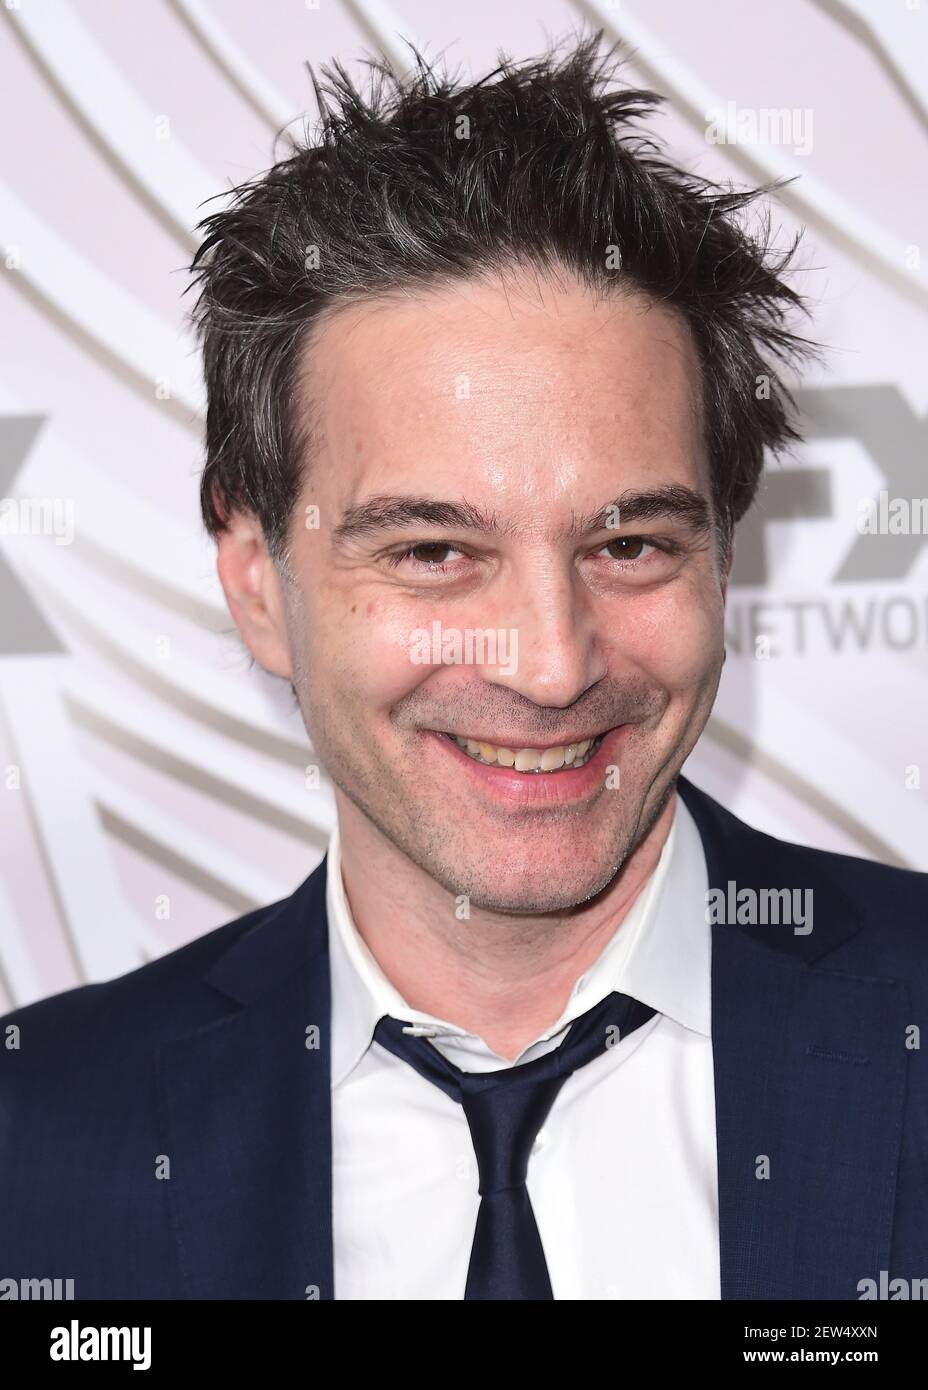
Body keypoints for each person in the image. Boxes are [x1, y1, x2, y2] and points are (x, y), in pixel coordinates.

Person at [1, 33, 925, 1302]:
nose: (550, 663)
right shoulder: (36, 1141)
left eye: (631, 541)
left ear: (724, 552)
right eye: (434, 550)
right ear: (255, 575)